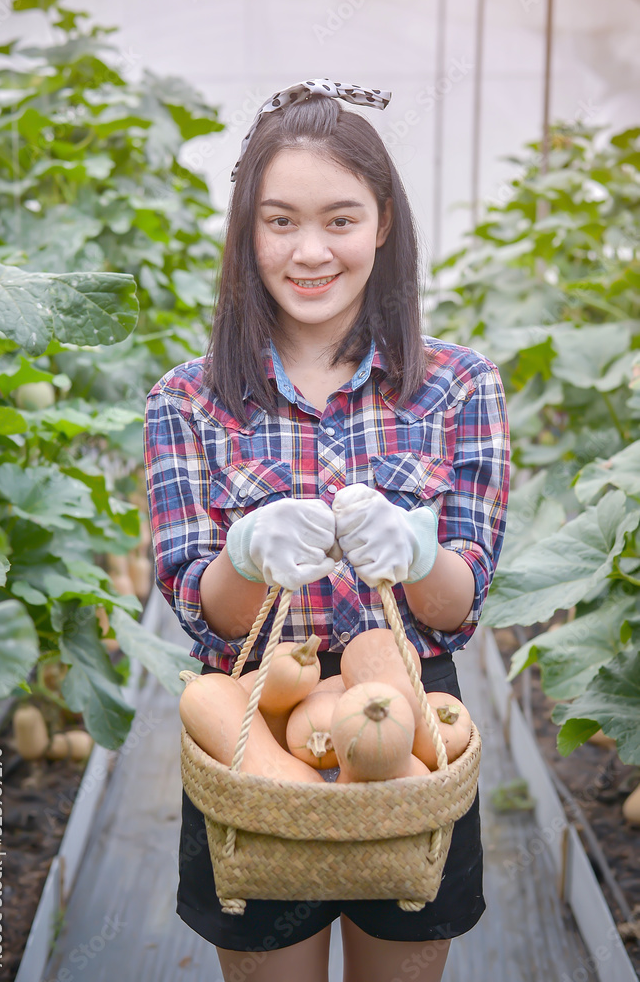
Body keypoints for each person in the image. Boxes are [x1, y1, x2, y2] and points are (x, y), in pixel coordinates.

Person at [143, 77, 510, 982]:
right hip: (253, 722)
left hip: (411, 725)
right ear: (247, 231)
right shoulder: (186, 400)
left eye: (340, 220)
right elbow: (208, 616)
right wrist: (243, 557)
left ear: (382, 223)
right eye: (280, 222)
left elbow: (459, 608)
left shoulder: (460, 388)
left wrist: (421, 554)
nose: (310, 251)